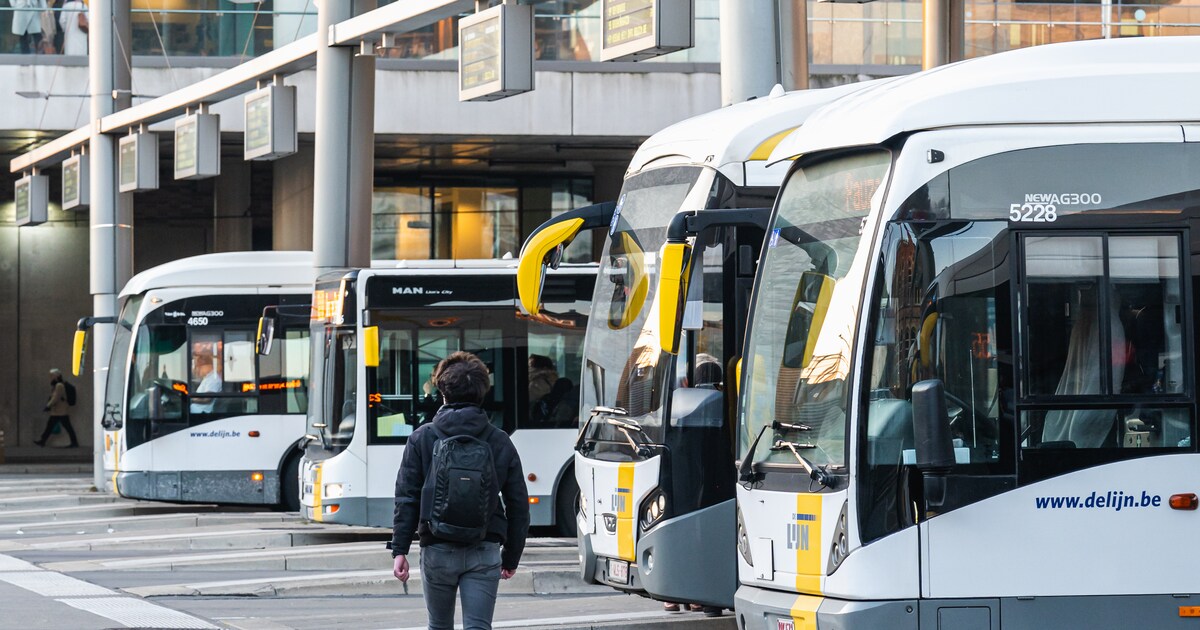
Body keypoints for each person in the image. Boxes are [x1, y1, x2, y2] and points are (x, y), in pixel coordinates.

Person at [390, 351, 530, 630]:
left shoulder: (422, 437)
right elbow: (518, 505)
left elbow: (407, 496)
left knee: (439, 626)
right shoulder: (500, 441)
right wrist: (511, 556)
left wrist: (400, 549)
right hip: (484, 548)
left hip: (437, 548)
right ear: (483, 393)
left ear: (442, 392)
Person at [35, 369, 79, 448]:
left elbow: (55, 398)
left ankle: (74, 442)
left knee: (65, 427)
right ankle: (43, 440)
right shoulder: (58, 385)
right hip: (59, 411)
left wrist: (48, 406)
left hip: (60, 411)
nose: (51, 378)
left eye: (52, 376)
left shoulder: (59, 386)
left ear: (56, 376)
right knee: (52, 426)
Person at [190, 341, 223, 414]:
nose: (197, 369)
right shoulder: (208, 378)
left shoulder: (214, 379)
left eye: (199, 366)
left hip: (200, 413)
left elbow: (207, 399)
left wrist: (190, 399)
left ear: (207, 365)